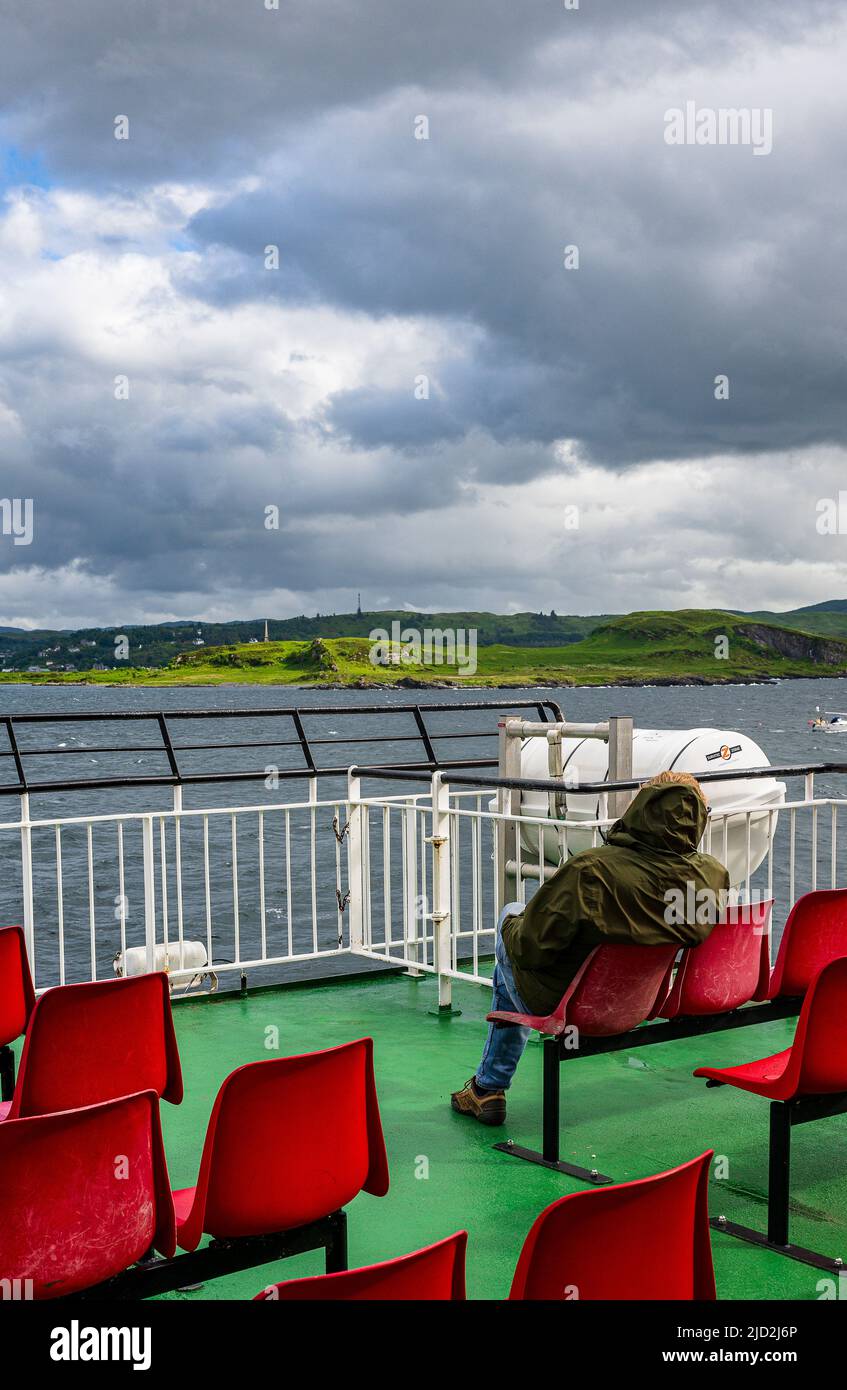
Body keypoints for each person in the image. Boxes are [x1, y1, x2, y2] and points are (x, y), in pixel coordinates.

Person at [451, 770, 730, 1126]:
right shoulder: (711, 875)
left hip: (574, 1010)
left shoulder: (592, 870)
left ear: (641, 808)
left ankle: (488, 1087)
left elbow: (529, 949)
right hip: (638, 1006)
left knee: (511, 919)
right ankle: (486, 1087)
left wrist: (511, 925)